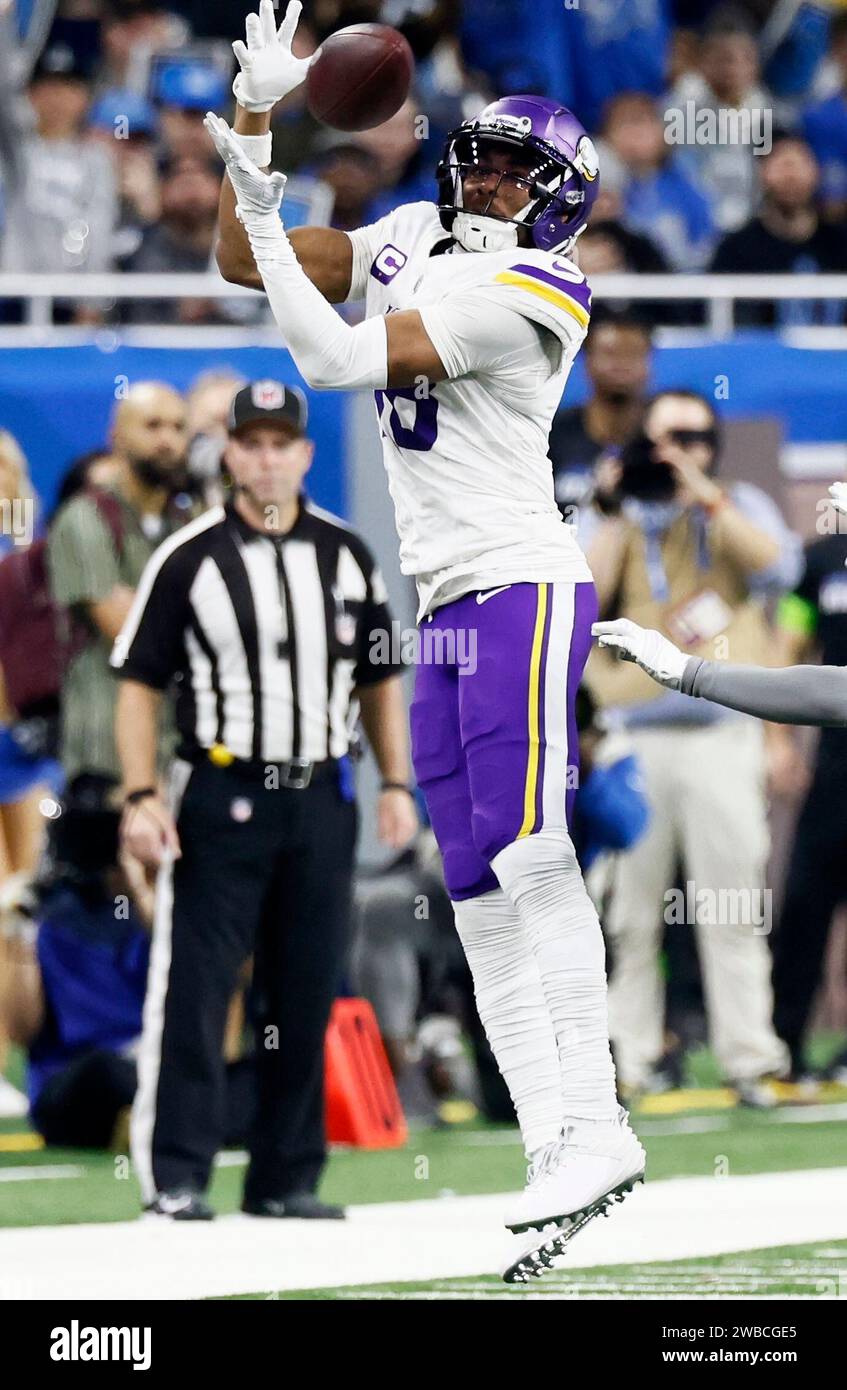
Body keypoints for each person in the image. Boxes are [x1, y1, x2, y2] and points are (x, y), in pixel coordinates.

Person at [209, 0, 645, 1284]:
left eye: (520, 168)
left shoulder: (541, 284)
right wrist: (254, 116)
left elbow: (338, 360)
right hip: (446, 600)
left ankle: (601, 1120)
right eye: (485, 155)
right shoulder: (409, 232)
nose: (490, 175)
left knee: (529, 847)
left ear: (559, 200)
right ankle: (551, 1149)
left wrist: (249, 166)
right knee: (472, 891)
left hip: (519, 579)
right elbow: (250, 267)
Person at [112, 378, 416, 1221]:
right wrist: (141, 793)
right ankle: (176, 1175)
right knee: (199, 986)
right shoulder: (190, 556)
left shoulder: (348, 553)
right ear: (232, 454)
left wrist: (395, 782)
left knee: (307, 985)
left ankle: (285, 1177)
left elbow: (381, 678)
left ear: (305, 454)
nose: (269, 457)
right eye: (254, 443)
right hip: (221, 788)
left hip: (320, 792)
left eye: (284, 443)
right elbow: (136, 683)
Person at [583, 389, 801, 1105]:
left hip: (719, 732)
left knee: (733, 904)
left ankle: (749, 1058)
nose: (680, 452)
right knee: (629, 914)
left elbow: (777, 571)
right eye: (665, 440)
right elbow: (580, 598)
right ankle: (628, 1059)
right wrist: (613, 508)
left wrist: (704, 495)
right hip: (635, 738)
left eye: (695, 437)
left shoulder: (735, 503)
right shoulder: (619, 512)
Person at [47, 382, 191, 811]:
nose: (167, 439)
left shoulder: (193, 519)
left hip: (181, 755)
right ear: (117, 437)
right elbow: (128, 632)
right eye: (152, 426)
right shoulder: (83, 518)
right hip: (106, 757)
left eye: (178, 428)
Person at [710, 134, 847, 327]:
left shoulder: (840, 245)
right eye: (781, 164)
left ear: (817, 171)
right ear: (760, 173)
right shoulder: (736, 251)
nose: (790, 176)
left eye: (799, 163)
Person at [548, 310, 652, 514]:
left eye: (633, 354)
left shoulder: (662, 435)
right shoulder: (553, 433)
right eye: (610, 353)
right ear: (586, 360)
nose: (622, 364)